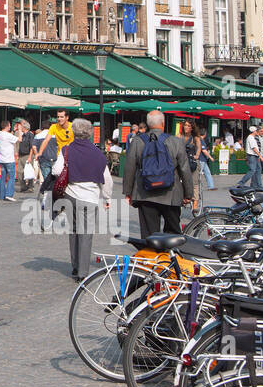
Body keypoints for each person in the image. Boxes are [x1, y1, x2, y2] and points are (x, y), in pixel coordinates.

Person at [52, 118, 112, 281]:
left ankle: (75, 265)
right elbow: (106, 178)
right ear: (90, 133)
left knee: (74, 231)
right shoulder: (98, 153)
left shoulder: (67, 150)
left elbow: (57, 170)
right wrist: (107, 198)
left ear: (73, 132)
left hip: (71, 195)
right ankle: (83, 273)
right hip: (90, 197)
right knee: (86, 234)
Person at [122, 109, 193, 237]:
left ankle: (151, 256)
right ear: (163, 123)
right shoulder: (175, 142)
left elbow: (129, 168)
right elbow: (184, 169)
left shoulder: (137, 141)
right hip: (171, 193)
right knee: (173, 234)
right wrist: (188, 194)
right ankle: (169, 255)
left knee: (149, 235)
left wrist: (128, 192)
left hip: (145, 193)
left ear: (148, 124)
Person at [0, 120, 19, 202]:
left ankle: (2, 195)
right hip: (9, 159)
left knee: (2, 178)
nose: (10, 126)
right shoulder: (8, 135)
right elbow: (19, 139)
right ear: (7, 126)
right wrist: (20, 130)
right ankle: (9, 194)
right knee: (11, 177)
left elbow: (8, 136)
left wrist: (13, 131)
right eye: (10, 125)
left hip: (1, 159)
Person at [236, 124, 263, 192]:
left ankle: (257, 185)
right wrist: (260, 156)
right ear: (253, 131)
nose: (257, 132)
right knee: (252, 170)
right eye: (256, 131)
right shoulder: (251, 138)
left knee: (258, 170)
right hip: (252, 155)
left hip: (255, 155)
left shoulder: (253, 137)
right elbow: (254, 148)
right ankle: (241, 182)